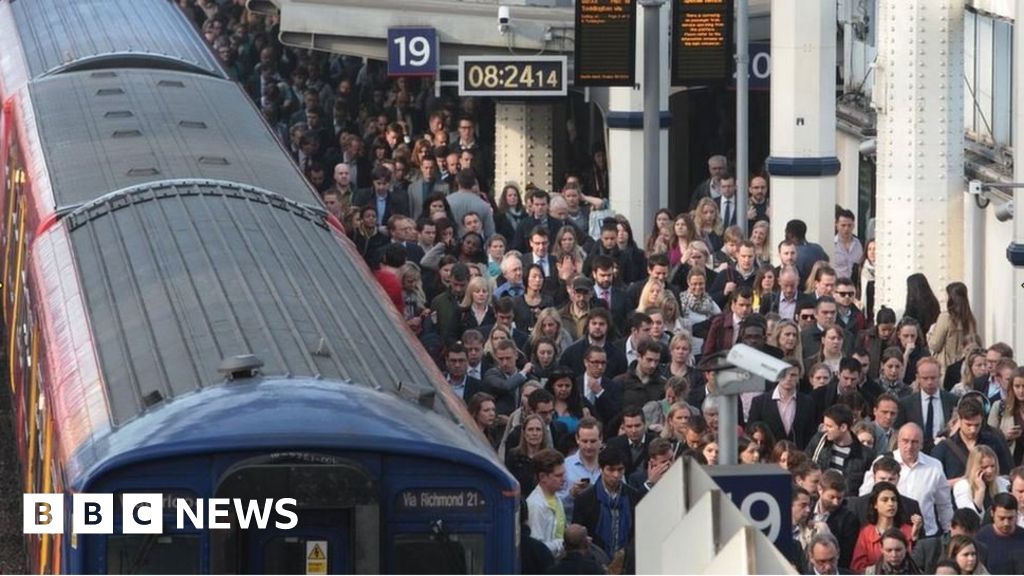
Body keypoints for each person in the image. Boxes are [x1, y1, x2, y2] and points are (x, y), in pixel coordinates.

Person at [572, 447, 640, 557]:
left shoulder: (633, 496)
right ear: (601, 469)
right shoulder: (585, 499)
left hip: (627, 558)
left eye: (620, 469)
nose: (616, 475)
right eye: (611, 470)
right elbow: (578, 536)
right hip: (594, 559)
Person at [851, 482, 922, 572]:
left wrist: (915, 538)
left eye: (893, 499)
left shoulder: (908, 531)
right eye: (885, 500)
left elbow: (917, 564)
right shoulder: (866, 534)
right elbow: (857, 567)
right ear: (875, 504)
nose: (891, 503)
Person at [749, 360, 817, 449]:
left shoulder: (807, 402)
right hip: (769, 454)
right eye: (784, 374)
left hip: (798, 454)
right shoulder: (759, 402)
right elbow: (751, 432)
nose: (788, 378)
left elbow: (810, 433)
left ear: (799, 377)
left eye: (793, 375)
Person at [929, 282, 978, 377]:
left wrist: (930, 333)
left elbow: (935, 345)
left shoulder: (945, 317)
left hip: (945, 366)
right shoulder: (970, 319)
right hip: (965, 367)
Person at [527, 449, 568, 557]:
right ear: (542, 477)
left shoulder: (556, 498)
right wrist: (565, 543)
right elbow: (537, 548)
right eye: (558, 475)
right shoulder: (535, 505)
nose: (564, 479)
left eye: (563, 474)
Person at [953, 444, 1011, 518]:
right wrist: (980, 491)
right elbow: (968, 518)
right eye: (984, 467)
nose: (990, 471)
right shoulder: (962, 486)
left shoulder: (1004, 483)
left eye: (992, 466)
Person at [973, 493, 1024, 574]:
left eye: (1010, 518)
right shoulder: (981, 538)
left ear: (1016, 514)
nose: (1006, 523)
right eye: (1002, 518)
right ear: (992, 514)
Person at [505, 414, 547, 496]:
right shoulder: (513, 456)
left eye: (538, 429)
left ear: (543, 433)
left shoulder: (549, 457)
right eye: (530, 430)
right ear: (524, 433)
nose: (534, 433)